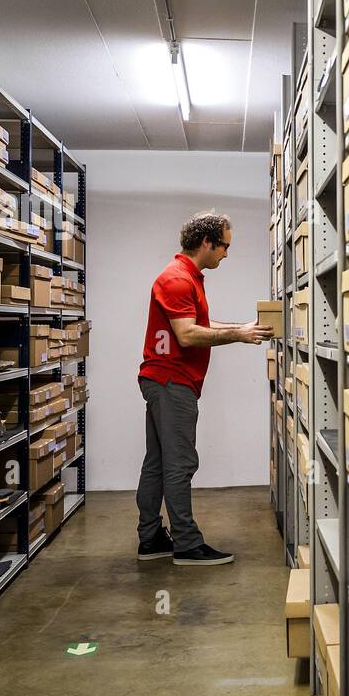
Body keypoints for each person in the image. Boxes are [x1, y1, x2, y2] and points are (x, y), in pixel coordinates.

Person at [136, 210, 272, 566]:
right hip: (171, 381)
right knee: (180, 463)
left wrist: (245, 327)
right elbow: (188, 334)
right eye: (225, 246)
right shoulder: (178, 279)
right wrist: (239, 335)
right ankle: (187, 544)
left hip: (164, 379)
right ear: (207, 242)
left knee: (158, 463)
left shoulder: (188, 277)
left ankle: (150, 537)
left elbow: (200, 324)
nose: (227, 254)